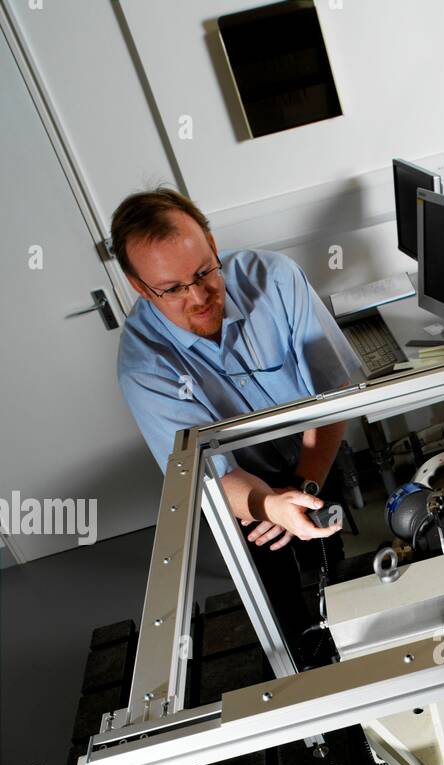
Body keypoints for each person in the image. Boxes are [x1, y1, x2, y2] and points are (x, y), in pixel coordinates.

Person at [112, 187, 362, 665]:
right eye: (172, 289)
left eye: (204, 272)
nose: (199, 297)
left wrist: (304, 487)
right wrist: (269, 505)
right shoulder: (145, 368)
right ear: (141, 288)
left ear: (210, 240)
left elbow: (334, 392)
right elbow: (214, 474)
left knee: (336, 569)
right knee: (282, 607)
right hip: (243, 494)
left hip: (315, 456)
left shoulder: (276, 278)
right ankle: (311, 690)